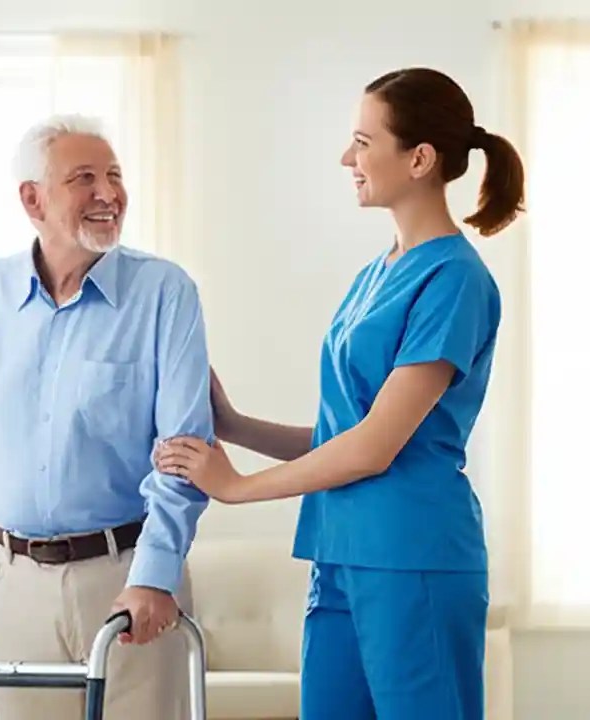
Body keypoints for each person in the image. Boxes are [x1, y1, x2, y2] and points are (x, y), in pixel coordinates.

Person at [154, 67, 525, 719]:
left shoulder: (454, 280)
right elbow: (345, 434)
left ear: (419, 159)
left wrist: (236, 486)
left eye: (362, 140)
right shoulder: (375, 274)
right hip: (339, 551)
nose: (346, 158)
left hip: (412, 553)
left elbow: (377, 448)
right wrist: (236, 425)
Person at [0, 113, 213, 720]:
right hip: (13, 583)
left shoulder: (165, 293)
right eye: (85, 178)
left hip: (127, 574)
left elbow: (184, 453)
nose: (108, 194)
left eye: (114, 175)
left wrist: (155, 574)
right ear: (33, 198)